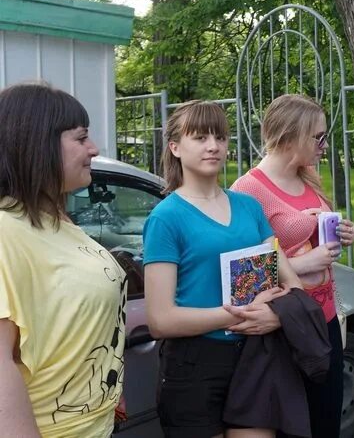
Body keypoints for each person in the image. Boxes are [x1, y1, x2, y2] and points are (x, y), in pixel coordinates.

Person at [143, 100, 303, 438]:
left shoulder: (249, 206)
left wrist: (276, 316)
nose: (213, 146)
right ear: (175, 147)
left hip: (256, 356)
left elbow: (292, 283)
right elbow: (160, 320)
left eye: (220, 137)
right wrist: (240, 315)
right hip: (194, 364)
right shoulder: (166, 217)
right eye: (200, 137)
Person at [0, 82, 125, 437]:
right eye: (81, 138)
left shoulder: (54, 221)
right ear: (37, 144)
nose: (94, 149)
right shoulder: (6, 232)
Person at [230, 93, 354, 438]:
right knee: (295, 427)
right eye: (318, 136)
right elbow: (242, 277)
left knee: (325, 421)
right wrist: (302, 265)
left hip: (323, 320)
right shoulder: (247, 189)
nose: (324, 144)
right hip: (284, 328)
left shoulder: (309, 177)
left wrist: (344, 234)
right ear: (292, 134)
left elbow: (315, 234)